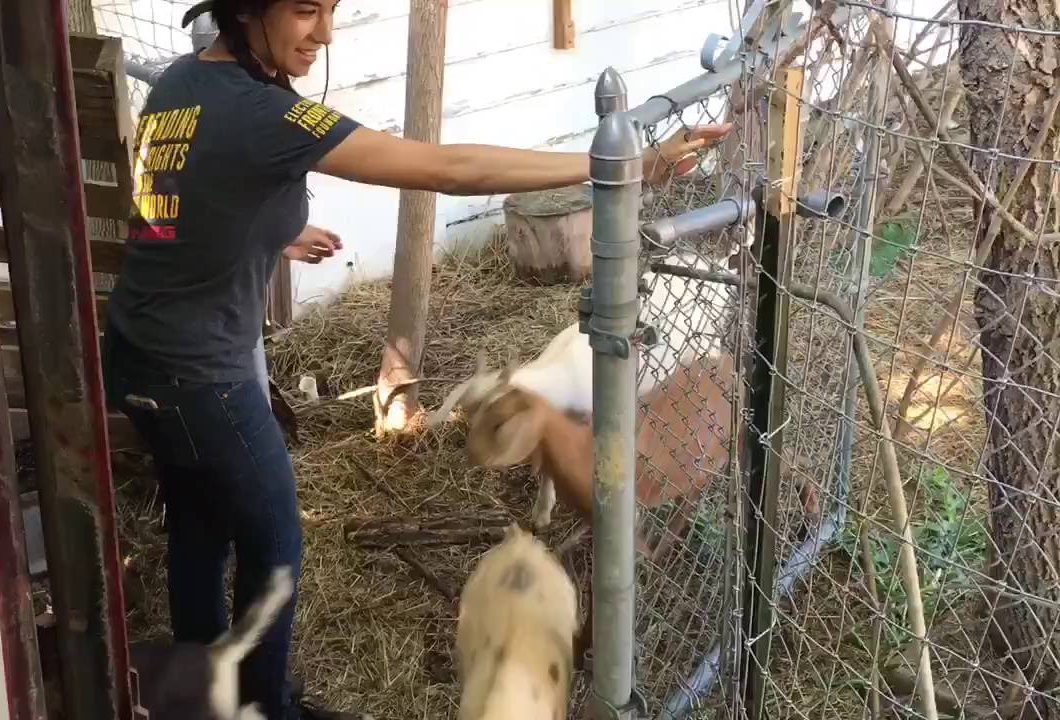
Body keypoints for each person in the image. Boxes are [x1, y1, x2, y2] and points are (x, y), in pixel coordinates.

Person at [101, 1, 734, 717]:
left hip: (138, 356)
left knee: (198, 524)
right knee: (275, 544)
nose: (325, 33)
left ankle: (203, 686)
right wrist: (628, 163)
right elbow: (451, 168)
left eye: (332, 10)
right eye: (306, 11)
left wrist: (276, 232)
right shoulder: (264, 112)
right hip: (202, 377)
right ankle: (264, 706)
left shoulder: (183, 82)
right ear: (247, 9)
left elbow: (182, 204)